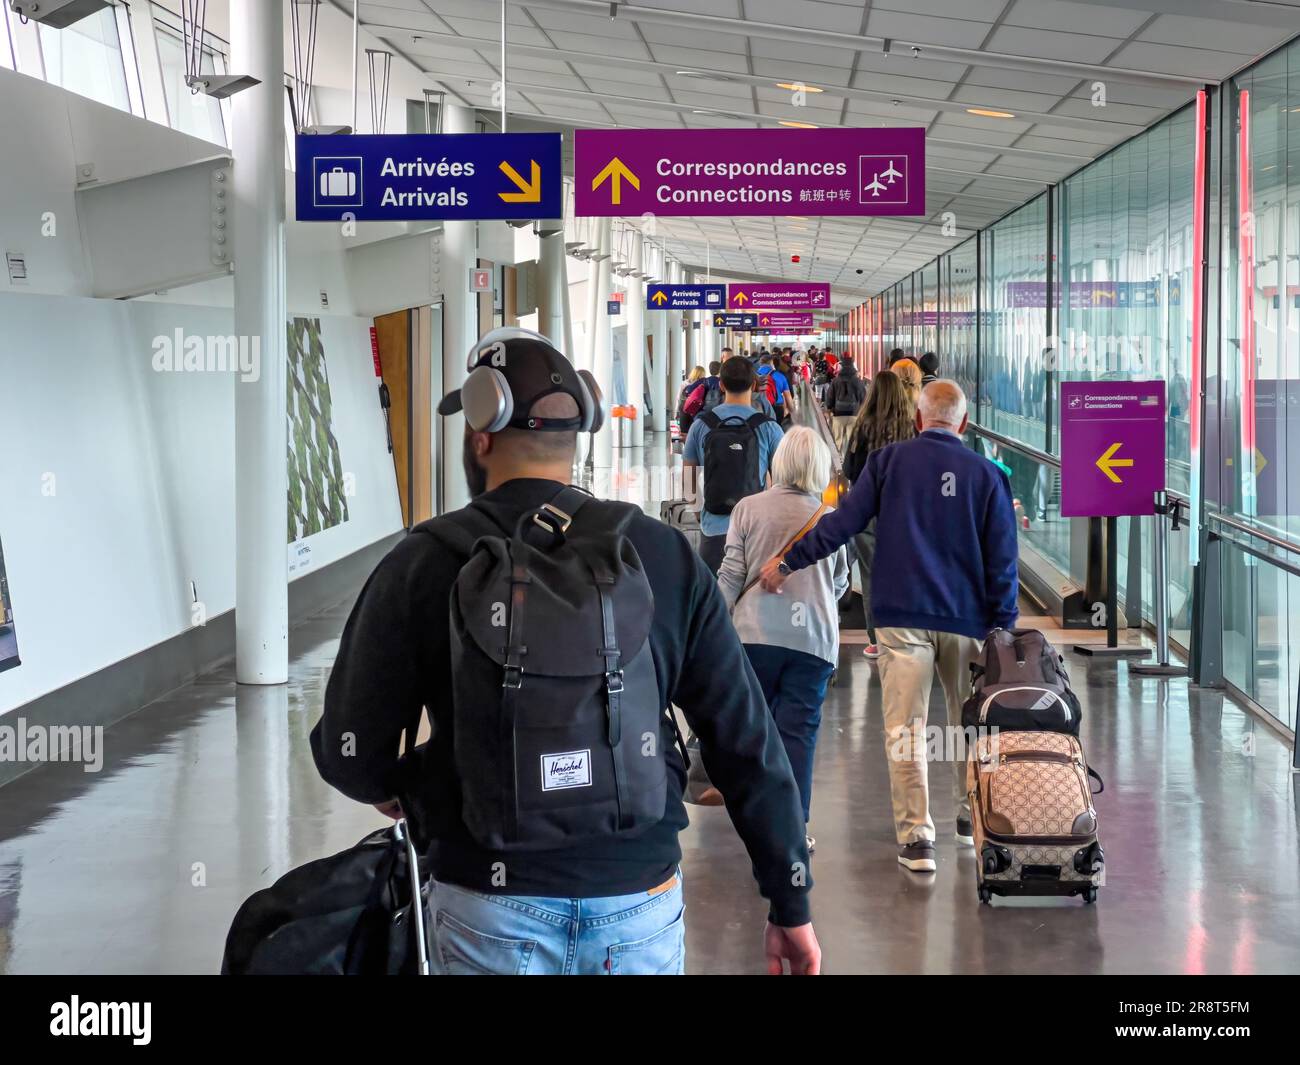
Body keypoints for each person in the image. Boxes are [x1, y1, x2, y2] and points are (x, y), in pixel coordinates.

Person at [313, 327, 821, 975]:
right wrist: (790, 897)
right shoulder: (660, 555)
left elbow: (349, 751)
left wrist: (407, 783)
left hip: (488, 900)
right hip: (636, 897)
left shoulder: (426, 559)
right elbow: (745, 740)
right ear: (577, 435)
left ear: (479, 436)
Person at [758, 381, 1019, 874]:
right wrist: (1003, 626)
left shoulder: (888, 462)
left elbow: (841, 525)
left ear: (919, 420)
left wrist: (789, 561)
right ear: (962, 424)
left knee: (907, 731)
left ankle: (918, 839)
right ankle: (973, 817)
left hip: (901, 620)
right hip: (968, 623)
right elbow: (1004, 559)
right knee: (974, 726)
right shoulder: (988, 475)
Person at [717, 428, 849, 853]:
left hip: (753, 636)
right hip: (812, 642)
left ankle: (754, 822)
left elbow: (731, 575)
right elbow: (842, 583)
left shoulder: (747, 508)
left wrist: (713, 628)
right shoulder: (830, 519)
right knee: (799, 734)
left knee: (755, 730)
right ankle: (792, 828)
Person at [684, 357, 784, 575]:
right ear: (754, 385)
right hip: (757, 530)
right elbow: (784, 483)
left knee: (715, 603)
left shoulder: (701, 425)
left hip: (714, 530)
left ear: (721, 385)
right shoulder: (769, 428)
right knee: (755, 603)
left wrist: (700, 512)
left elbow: (687, 478)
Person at [841, 371, 917, 660]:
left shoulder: (863, 426)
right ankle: (907, 634)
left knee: (872, 576)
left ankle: (877, 641)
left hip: (868, 511)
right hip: (906, 513)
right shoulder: (912, 427)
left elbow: (849, 470)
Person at [824, 353, 867, 452]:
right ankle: (849, 461)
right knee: (852, 441)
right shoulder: (858, 381)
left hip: (838, 415)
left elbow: (830, 397)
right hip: (854, 415)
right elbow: (863, 398)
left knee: (837, 441)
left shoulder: (836, 380)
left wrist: (829, 409)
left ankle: (839, 461)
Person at [757, 354, 794, 425]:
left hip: (758, 407)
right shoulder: (780, 376)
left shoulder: (754, 375)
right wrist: (792, 412)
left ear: (760, 363)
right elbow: (788, 397)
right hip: (777, 408)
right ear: (771, 363)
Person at [676, 365, 705, 439]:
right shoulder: (702, 384)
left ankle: (685, 449)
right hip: (695, 411)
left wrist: (676, 412)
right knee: (694, 435)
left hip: (683, 409)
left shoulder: (685, 383)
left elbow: (678, 398)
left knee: (684, 434)